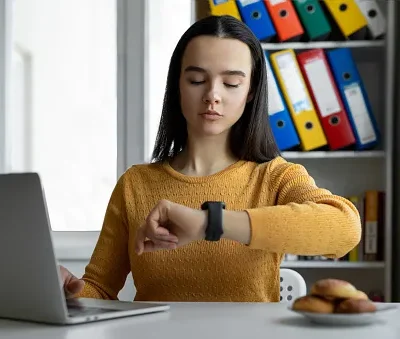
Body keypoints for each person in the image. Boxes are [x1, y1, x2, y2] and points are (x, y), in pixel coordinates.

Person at [61, 15, 361, 303]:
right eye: (195, 80)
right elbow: (99, 289)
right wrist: (66, 291)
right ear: (177, 84)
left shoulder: (274, 177)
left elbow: (345, 229)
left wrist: (210, 223)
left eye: (231, 83)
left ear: (251, 91)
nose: (212, 95)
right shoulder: (136, 184)